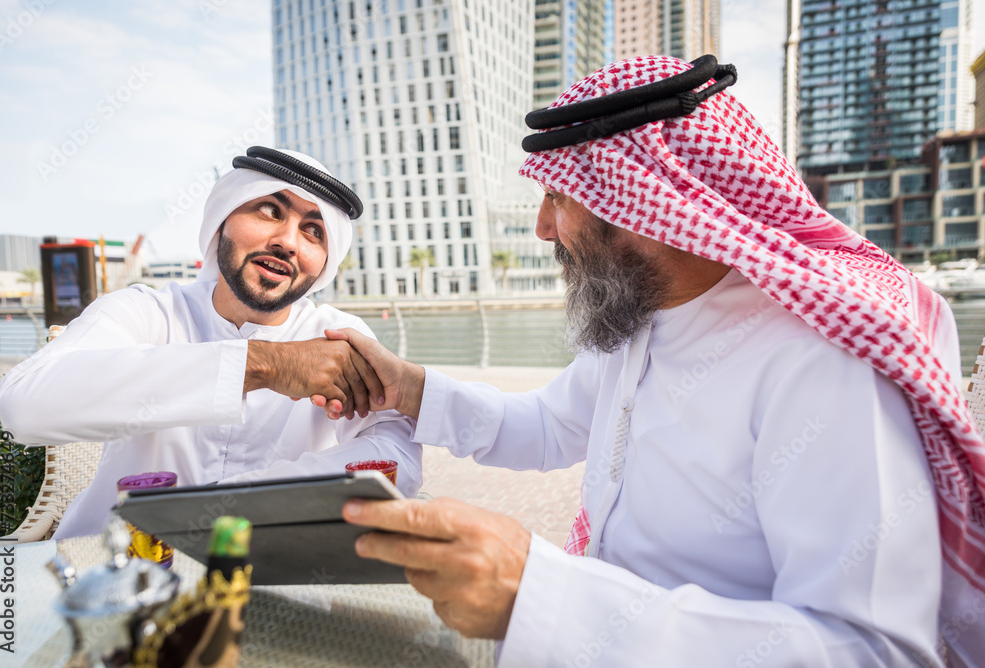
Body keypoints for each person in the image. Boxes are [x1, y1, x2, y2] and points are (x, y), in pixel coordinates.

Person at [325, 56, 985, 667]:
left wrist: (540, 596)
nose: (542, 229)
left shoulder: (822, 361)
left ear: (641, 206)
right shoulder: (645, 314)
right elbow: (551, 425)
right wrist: (405, 388)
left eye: (558, 198)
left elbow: (869, 651)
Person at [0, 146, 422, 539]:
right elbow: (23, 408)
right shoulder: (147, 312)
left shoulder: (339, 337)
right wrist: (261, 365)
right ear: (222, 223)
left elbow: (396, 450)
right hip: (112, 568)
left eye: (314, 231)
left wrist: (249, 497)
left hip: (271, 572)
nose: (289, 242)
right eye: (270, 210)